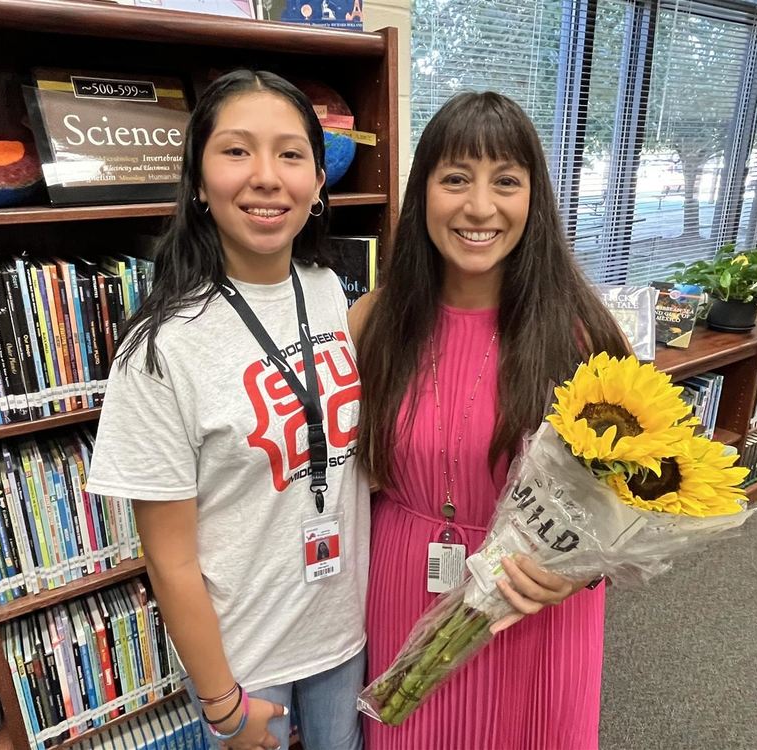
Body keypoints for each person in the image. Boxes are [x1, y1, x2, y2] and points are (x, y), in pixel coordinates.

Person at [85, 70, 369, 750]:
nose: (267, 177)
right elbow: (171, 561)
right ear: (197, 180)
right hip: (246, 661)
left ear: (318, 183)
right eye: (237, 151)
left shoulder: (330, 289)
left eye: (291, 154)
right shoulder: (161, 349)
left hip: (345, 631)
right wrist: (222, 705)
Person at [349, 92, 630, 749]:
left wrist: (584, 565)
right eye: (455, 180)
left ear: (534, 199)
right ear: (422, 195)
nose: (479, 207)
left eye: (506, 181)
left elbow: (633, 497)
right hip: (403, 588)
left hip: (533, 608)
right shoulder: (373, 323)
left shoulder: (581, 336)